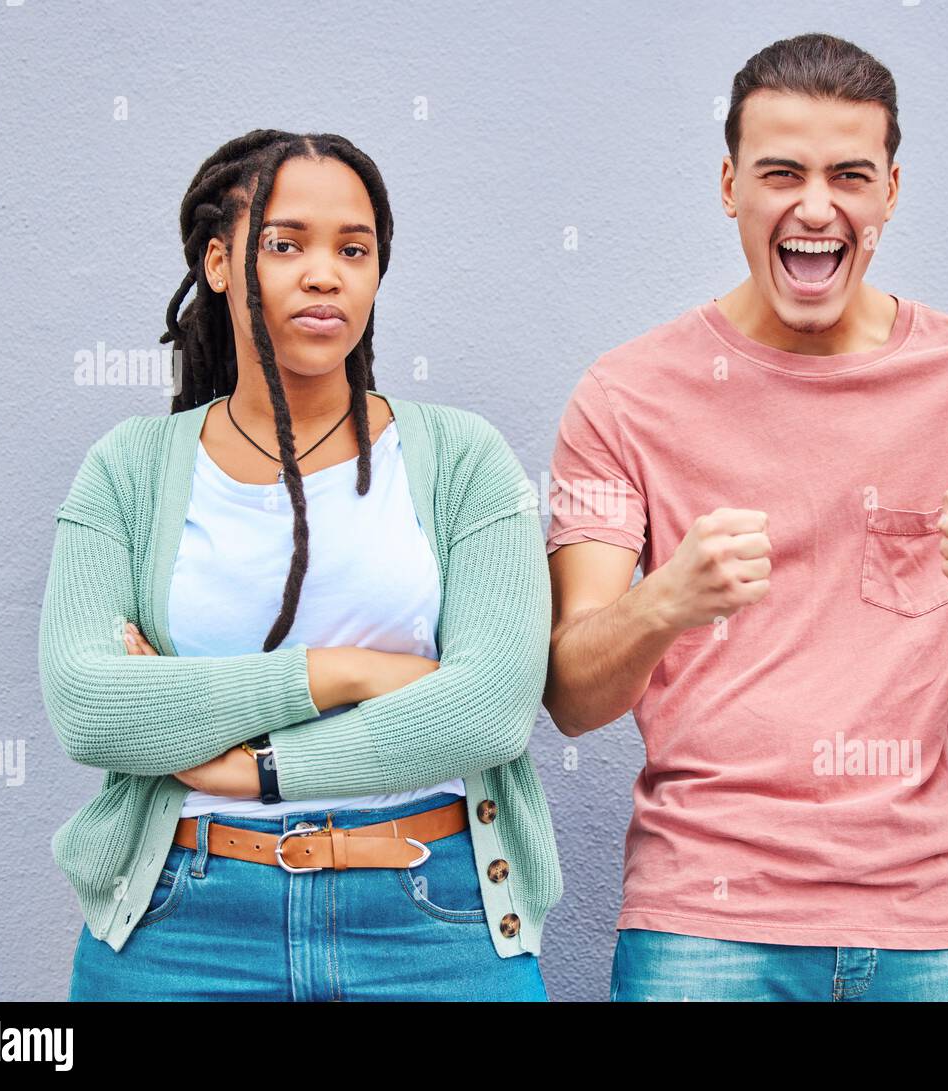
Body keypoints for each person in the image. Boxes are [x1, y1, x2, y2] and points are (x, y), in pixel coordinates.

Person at [543, 34, 948, 1002]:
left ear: (889, 192)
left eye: (848, 175)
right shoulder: (623, 393)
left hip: (938, 924)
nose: (813, 205)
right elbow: (572, 694)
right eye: (780, 172)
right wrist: (664, 600)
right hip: (702, 925)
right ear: (728, 186)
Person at [39, 129, 561, 1001]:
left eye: (354, 250)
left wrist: (252, 767)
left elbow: (492, 708)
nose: (326, 274)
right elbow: (91, 706)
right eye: (285, 245)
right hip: (183, 926)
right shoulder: (129, 469)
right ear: (216, 262)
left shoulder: (464, 457)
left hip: (431, 920)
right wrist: (344, 671)